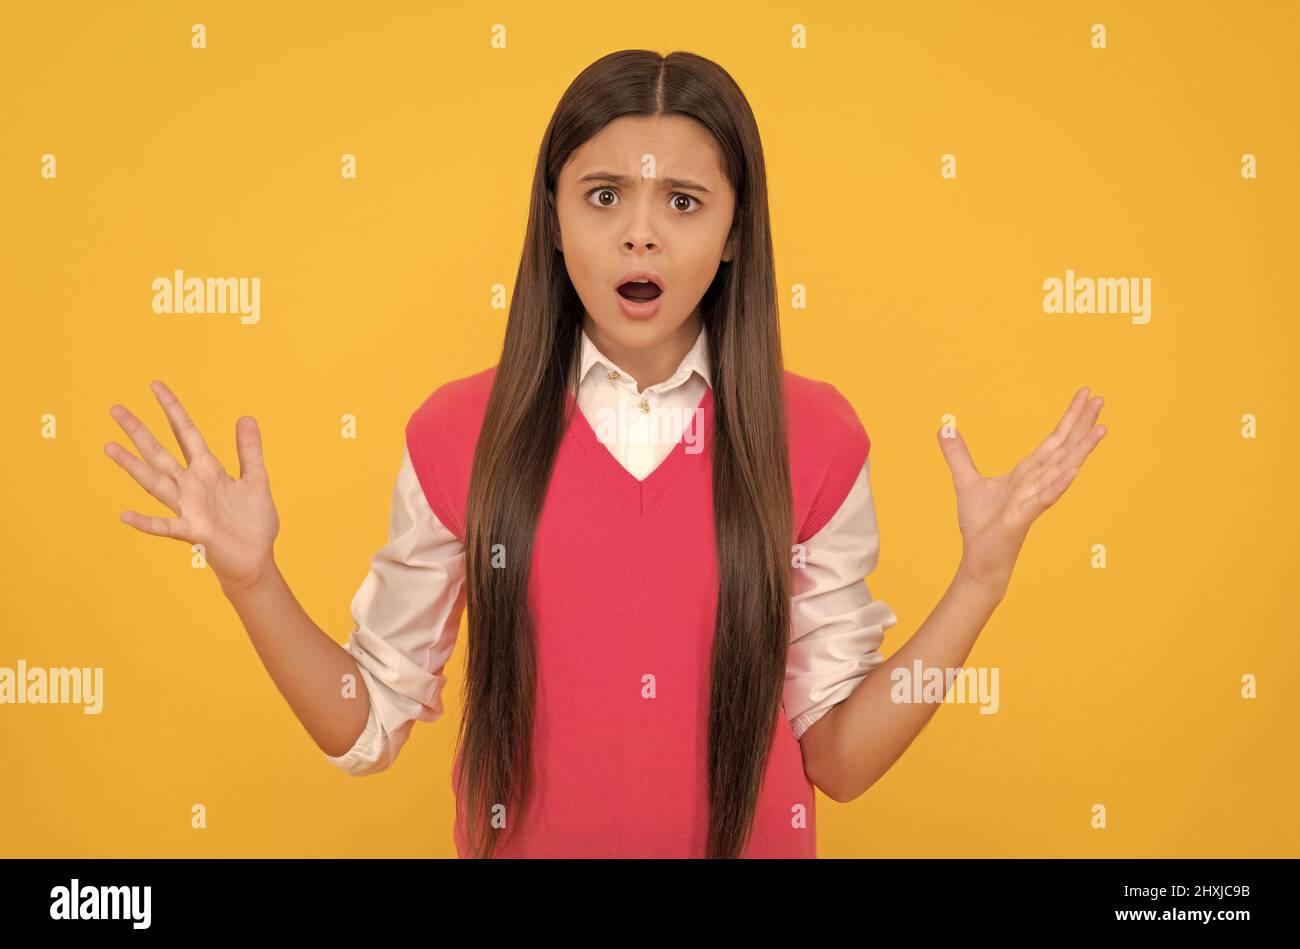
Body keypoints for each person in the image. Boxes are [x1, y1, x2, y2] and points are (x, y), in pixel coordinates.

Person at [104, 49, 1107, 859]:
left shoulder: (818, 438)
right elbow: (363, 728)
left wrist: (978, 579)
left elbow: (837, 762)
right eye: (601, 197)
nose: (639, 237)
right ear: (551, 220)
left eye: (681, 201)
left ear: (732, 235)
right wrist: (252, 583)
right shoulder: (458, 434)